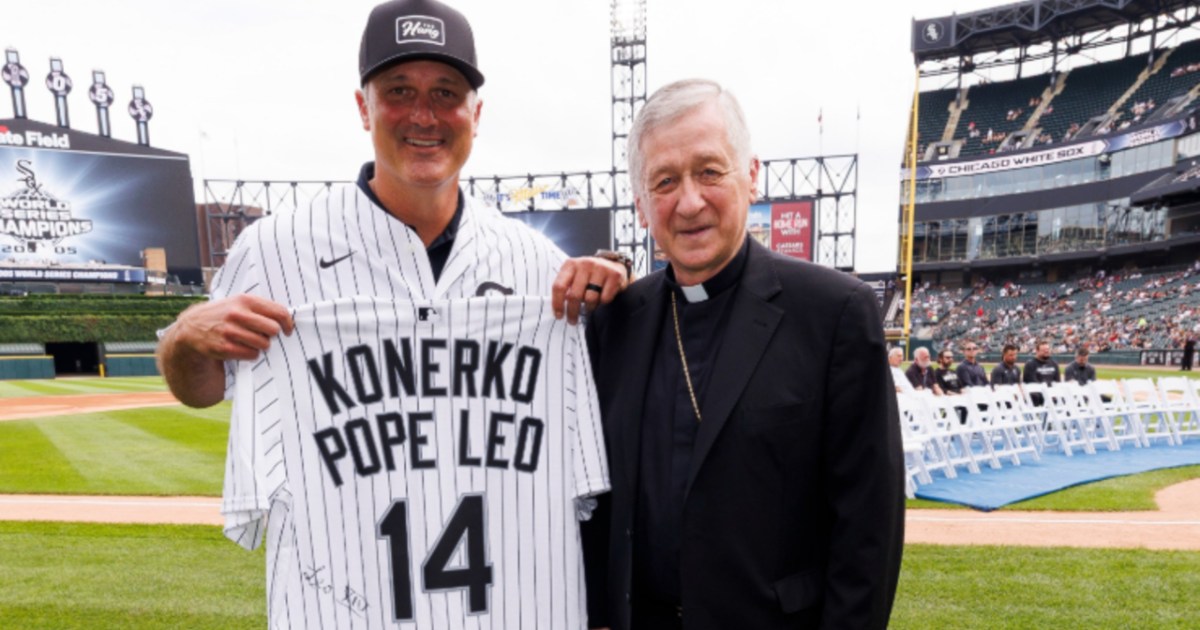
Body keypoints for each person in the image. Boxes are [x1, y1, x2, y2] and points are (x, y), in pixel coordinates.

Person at [155, 1, 627, 627]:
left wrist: (623, 290)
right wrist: (185, 339)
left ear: (475, 114)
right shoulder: (273, 251)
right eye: (399, 91)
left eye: (446, 93)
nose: (424, 115)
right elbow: (201, 392)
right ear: (363, 107)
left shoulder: (540, 271)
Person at [581, 78, 904, 630]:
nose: (689, 201)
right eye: (664, 181)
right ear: (640, 205)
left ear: (750, 176)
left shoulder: (834, 313)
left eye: (709, 171)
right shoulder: (614, 323)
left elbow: (868, 532)